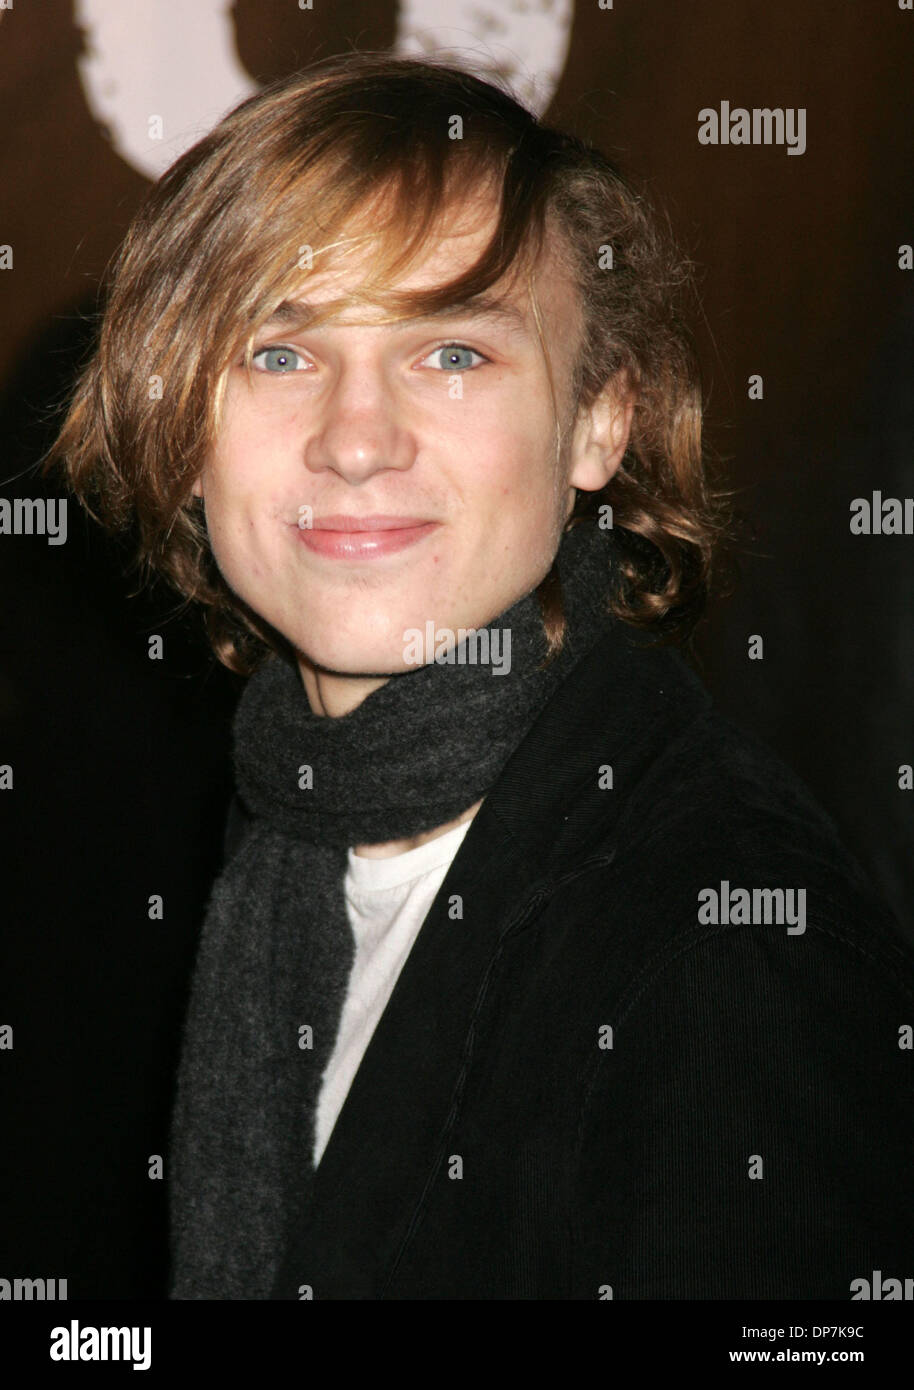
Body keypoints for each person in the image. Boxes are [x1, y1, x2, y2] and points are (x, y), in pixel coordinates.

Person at [47, 51, 914, 1301]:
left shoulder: (723, 955)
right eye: (279, 354)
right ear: (180, 428)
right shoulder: (286, 830)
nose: (354, 440)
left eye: (450, 353)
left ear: (598, 423)